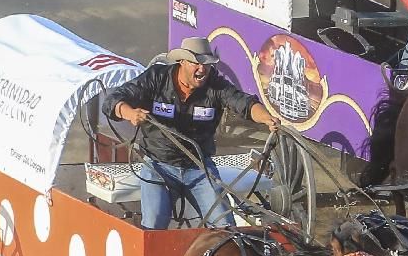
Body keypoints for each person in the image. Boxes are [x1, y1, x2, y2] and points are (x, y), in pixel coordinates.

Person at [104, 36, 280, 229]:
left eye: (206, 64)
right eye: (196, 63)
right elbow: (114, 100)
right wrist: (129, 112)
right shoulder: (156, 78)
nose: (202, 69)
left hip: (199, 167)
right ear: (182, 62)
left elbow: (243, 103)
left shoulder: (216, 86)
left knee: (226, 226)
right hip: (158, 166)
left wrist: (266, 118)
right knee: (153, 226)